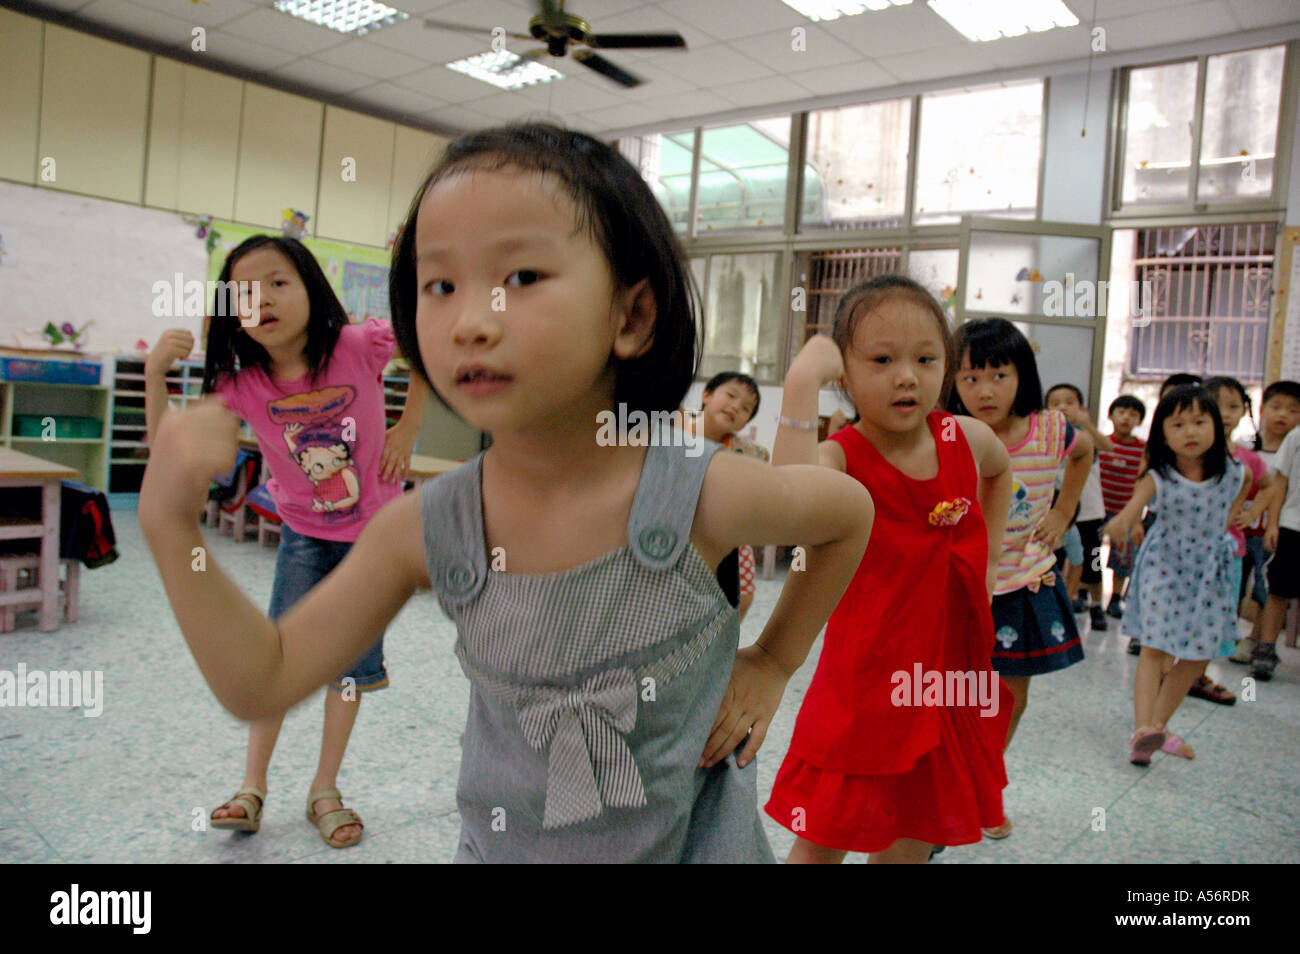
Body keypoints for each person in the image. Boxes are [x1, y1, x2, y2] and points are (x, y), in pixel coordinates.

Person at [138, 122, 875, 863]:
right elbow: (262, 679)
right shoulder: (427, 526)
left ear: (631, 315)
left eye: (520, 278)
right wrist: (171, 527)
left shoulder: (702, 493)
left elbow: (849, 516)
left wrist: (775, 660)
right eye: (440, 285)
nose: (470, 322)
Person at [144, 237, 429, 848]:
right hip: (303, 537)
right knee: (269, 659)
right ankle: (252, 787)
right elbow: (170, 453)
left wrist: (409, 424)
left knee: (350, 672)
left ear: (310, 289)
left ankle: (324, 790)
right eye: (245, 292)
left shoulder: (359, 345)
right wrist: (153, 378)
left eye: (278, 282)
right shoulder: (242, 382)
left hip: (374, 545)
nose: (263, 299)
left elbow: (424, 348)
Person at [765, 274, 1014, 864]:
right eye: (882, 359)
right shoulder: (843, 457)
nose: (907, 375)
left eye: (926, 359)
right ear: (844, 376)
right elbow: (785, 506)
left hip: (948, 672)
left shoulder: (964, 438)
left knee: (918, 820)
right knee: (826, 832)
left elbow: (1000, 472)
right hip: (868, 683)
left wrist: (990, 559)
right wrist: (800, 385)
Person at [948, 318, 1092, 840]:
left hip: (1023, 584)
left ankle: (986, 787)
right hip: (959, 589)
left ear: (1021, 375)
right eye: (969, 378)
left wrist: (1064, 511)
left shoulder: (1051, 428)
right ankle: (950, 786)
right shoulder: (947, 430)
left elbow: (1083, 452)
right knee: (954, 696)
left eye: (998, 375)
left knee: (1010, 698)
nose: (984, 390)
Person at [1104, 386, 1251, 763]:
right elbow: (1132, 508)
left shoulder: (1233, 473)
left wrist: (1236, 516)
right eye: (1179, 424)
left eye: (1200, 422)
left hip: (1208, 576)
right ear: (1163, 435)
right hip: (1164, 571)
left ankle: (1158, 725)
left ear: (1216, 427)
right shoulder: (1160, 477)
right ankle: (1143, 731)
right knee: (1155, 649)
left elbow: (1250, 483)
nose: (1190, 431)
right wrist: (1121, 523)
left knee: (1198, 655)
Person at [684, 371, 767, 621]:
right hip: (681, 525)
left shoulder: (748, 451)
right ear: (707, 395)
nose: (734, 407)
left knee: (745, 594)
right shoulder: (678, 432)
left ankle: (724, 638)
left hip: (725, 530)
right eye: (730, 395)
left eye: (745, 408)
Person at [1231, 380, 1300, 663]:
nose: (1283, 415)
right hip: (1239, 529)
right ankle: (1227, 634)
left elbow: (1279, 489)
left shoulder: (1292, 445)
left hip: (1268, 531)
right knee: (1234, 582)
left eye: (1293, 410)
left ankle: (1256, 639)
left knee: (1263, 587)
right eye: (1276, 407)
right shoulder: (1245, 449)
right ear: (1262, 409)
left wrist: (1272, 523)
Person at [1045, 383, 1112, 631]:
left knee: (1093, 565)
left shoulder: (1085, 434)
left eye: (1069, 402)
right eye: (1055, 402)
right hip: (1059, 516)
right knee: (1062, 561)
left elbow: (1108, 446)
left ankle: (1097, 606)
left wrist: (1088, 424)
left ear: (1081, 408)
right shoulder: (1047, 437)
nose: (1062, 407)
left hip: (1089, 514)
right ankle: (1065, 601)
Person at [1097, 395, 1146, 619]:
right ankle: (1086, 592)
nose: (1126, 418)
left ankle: (1115, 598)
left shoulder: (1142, 450)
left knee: (1123, 556)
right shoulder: (1102, 444)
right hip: (1098, 509)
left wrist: (1135, 516)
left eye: (1133, 415)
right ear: (1110, 415)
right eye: (1121, 412)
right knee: (1093, 551)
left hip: (1126, 512)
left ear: (1139, 421)